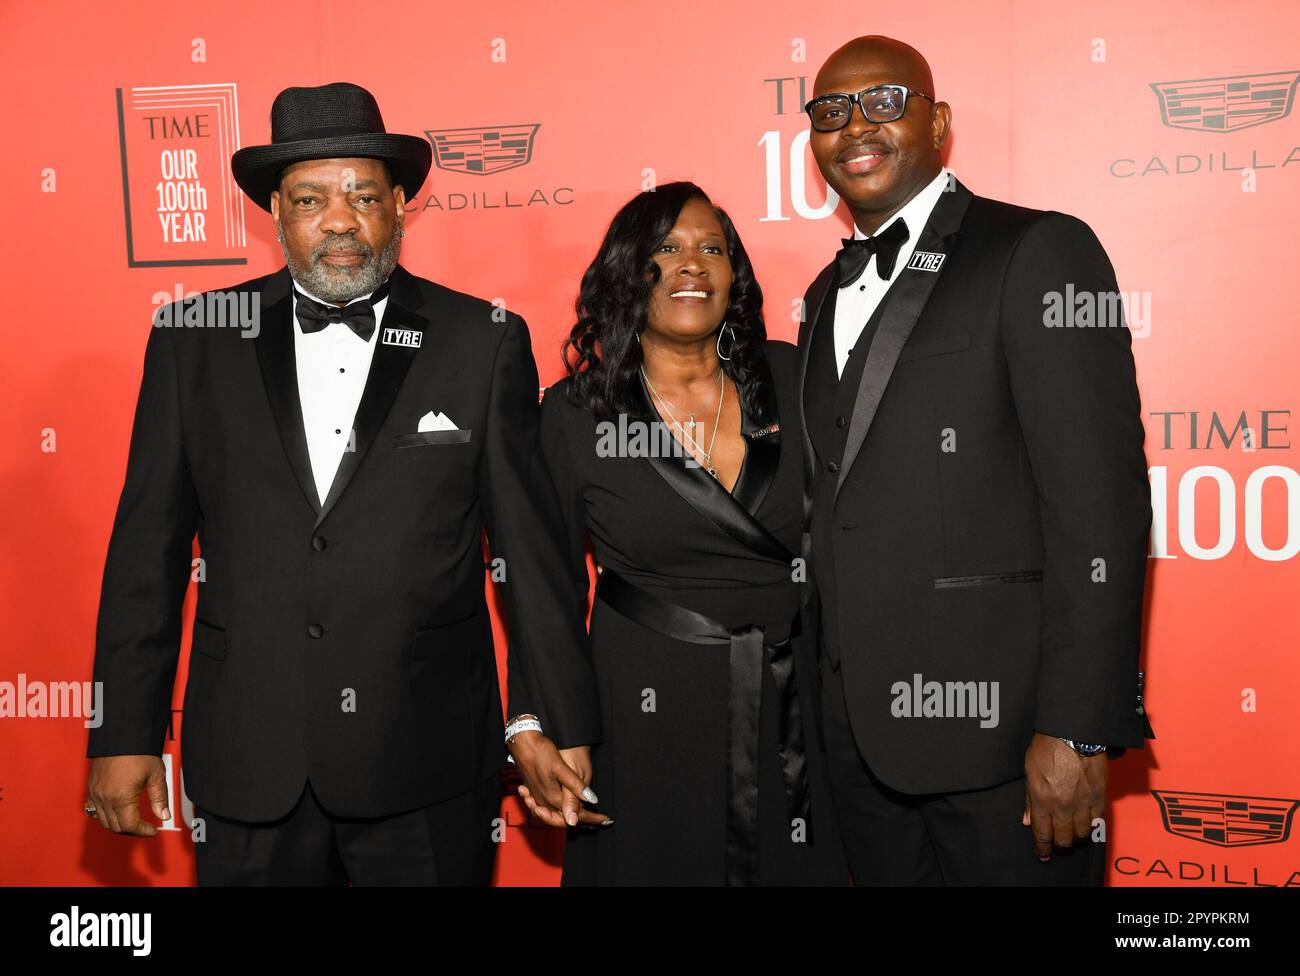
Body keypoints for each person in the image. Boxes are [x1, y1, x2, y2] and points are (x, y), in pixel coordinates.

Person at [84, 82, 598, 885]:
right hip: (250, 756)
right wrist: (123, 730)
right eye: (310, 198)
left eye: (363, 195)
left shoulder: (481, 340)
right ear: (278, 215)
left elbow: (532, 556)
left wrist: (551, 715)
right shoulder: (194, 339)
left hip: (424, 759)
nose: (339, 219)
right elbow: (145, 551)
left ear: (400, 205)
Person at [797, 36, 1154, 884]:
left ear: (939, 122)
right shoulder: (821, 295)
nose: (855, 126)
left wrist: (1076, 727)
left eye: (884, 101)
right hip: (855, 745)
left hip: (1005, 744)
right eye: (830, 110)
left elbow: (1100, 506)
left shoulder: (1039, 252)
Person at [507, 182, 847, 885]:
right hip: (643, 710)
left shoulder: (794, 377)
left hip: (792, 704)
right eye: (667, 249)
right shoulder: (575, 413)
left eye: (711, 249)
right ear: (629, 272)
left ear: (734, 276)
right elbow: (546, 583)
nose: (693, 264)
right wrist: (538, 721)